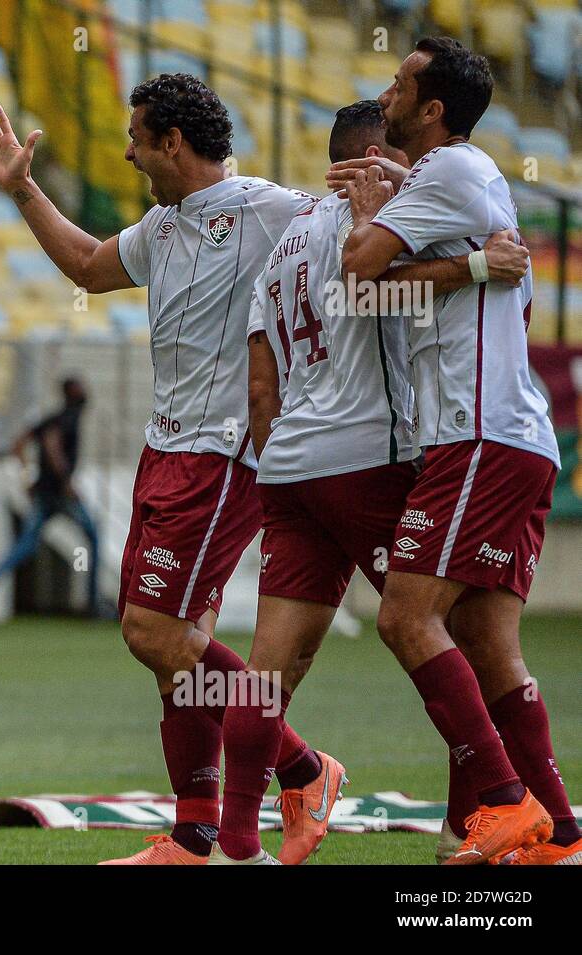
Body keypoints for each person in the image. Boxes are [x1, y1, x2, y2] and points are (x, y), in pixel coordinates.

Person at [0, 75, 335, 865]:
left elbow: (357, 226)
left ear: (174, 141)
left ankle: (304, 770)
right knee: (174, 647)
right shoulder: (161, 227)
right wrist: (24, 190)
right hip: (163, 453)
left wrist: (465, 257)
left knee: (154, 631)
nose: (127, 151)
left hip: (223, 457)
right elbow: (87, 266)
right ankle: (197, 835)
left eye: (137, 137)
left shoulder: (270, 208)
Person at [213, 100, 530, 865]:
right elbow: (377, 290)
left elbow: (261, 390)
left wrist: (279, 472)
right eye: (400, 165)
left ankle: (233, 849)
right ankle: (490, 811)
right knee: (453, 634)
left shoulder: (282, 247)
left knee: (265, 673)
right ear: (370, 157)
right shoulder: (363, 233)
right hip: (369, 459)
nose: (413, 180)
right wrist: (482, 266)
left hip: (288, 470)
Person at [339, 36, 578, 864]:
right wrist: (469, 265)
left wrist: (376, 213)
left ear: (432, 109)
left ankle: (505, 802)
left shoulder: (448, 174)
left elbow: (359, 270)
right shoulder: (467, 179)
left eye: (399, 84)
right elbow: (403, 281)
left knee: (406, 616)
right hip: (512, 435)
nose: (386, 92)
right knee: (487, 645)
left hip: (477, 435)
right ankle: (559, 832)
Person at [0, 376, 100, 616]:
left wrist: (27, 478)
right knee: (93, 537)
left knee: (26, 545)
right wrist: (65, 482)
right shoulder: (67, 418)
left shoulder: (51, 418)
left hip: (44, 493)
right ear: (72, 391)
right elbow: (52, 446)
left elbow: (18, 444)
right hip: (59, 494)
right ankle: (93, 605)